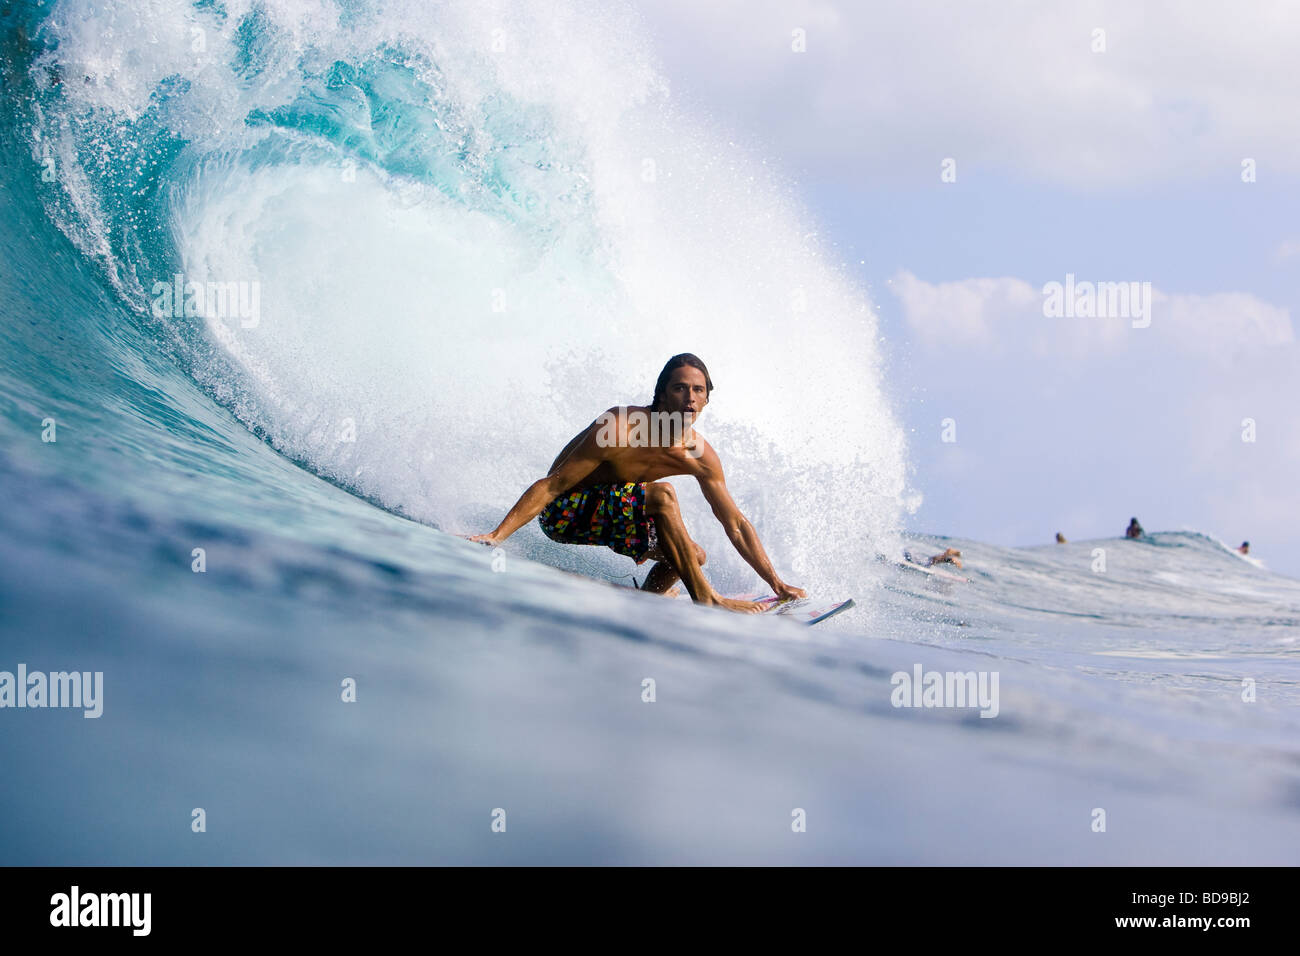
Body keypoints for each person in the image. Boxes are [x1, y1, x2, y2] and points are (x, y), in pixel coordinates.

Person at [465, 354, 806, 613]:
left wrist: (776, 584)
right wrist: (496, 536)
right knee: (663, 495)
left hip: (610, 518)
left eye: (698, 390)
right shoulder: (620, 425)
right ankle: (707, 598)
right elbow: (552, 486)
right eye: (680, 388)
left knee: (691, 555)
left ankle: (647, 602)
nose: (689, 397)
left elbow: (735, 524)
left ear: (706, 400)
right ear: (661, 394)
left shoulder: (699, 455)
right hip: (563, 512)